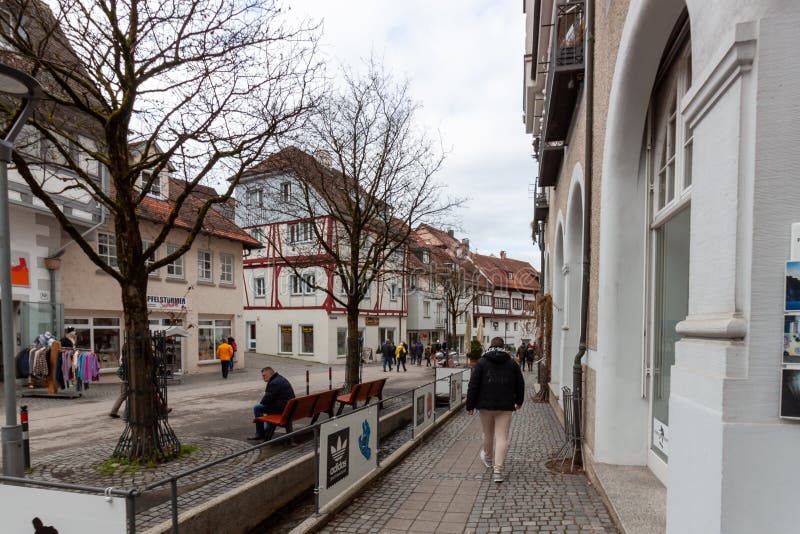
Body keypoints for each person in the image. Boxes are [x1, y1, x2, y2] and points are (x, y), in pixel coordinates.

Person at [466, 336, 525, 484]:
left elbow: (473, 385)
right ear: (503, 347)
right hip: (505, 406)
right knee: (502, 437)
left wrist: (470, 406)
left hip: (485, 406)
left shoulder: (481, 362)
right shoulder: (512, 363)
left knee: (487, 433)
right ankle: (498, 471)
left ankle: (488, 457)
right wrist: (519, 401)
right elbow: (520, 383)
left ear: (490, 346)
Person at [249, 366, 296, 441]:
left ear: (269, 374)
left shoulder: (274, 383)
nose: (263, 378)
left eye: (264, 375)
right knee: (266, 406)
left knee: (257, 408)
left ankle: (260, 433)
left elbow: (266, 400)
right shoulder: (280, 378)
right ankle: (266, 430)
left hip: (281, 410)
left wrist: (263, 403)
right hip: (289, 409)